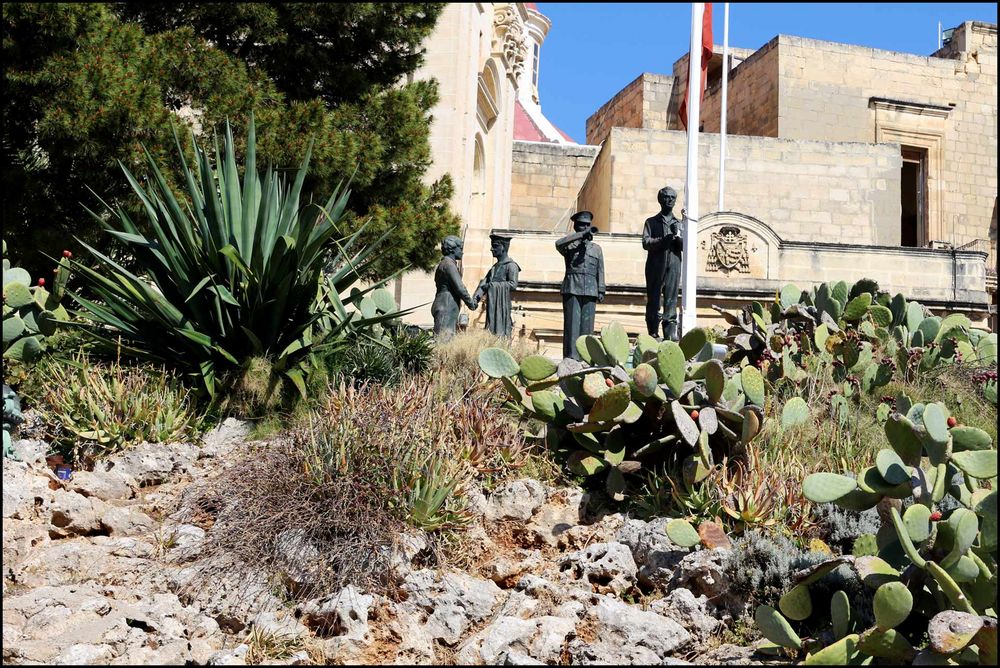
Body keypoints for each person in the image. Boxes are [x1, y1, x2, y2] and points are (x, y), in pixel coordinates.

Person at [555, 211, 605, 359]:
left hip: (591, 289)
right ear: (576, 226)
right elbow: (558, 244)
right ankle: (571, 358)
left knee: (587, 327)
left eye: (588, 225)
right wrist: (580, 236)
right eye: (582, 225)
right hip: (572, 287)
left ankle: (585, 358)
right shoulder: (569, 246)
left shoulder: (596, 248)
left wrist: (601, 289)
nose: (585, 227)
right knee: (572, 325)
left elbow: (600, 270)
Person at [642, 186, 685, 340]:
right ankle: (652, 332)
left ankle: (670, 333)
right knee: (653, 299)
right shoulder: (651, 222)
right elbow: (646, 242)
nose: (669, 200)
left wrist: (678, 237)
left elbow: (686, 247)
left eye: (673, 197)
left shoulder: (680, 224)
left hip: (673, 265)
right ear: (660, 199)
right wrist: (663, 240)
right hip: (655, 266)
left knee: (671, 299)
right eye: (666, 197)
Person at [473, 232, 521, 338]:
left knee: (500, 332)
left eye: (494, 246)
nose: (491, 249)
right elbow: (483, 284)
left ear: (503, 247)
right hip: (492, 305)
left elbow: (513, 285)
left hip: (502, 305)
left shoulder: (511, 266)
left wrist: (491, 286)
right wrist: (475, 299)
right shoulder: (494, 268)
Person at [431, 235, 477, 340]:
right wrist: (471, 303)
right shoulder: (448, 265)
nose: (462, 252)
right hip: (446, 304)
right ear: (452, 249)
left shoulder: (445, 263)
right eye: (460, 248)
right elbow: (460, 288)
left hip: (443, 302)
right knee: (444, 340)